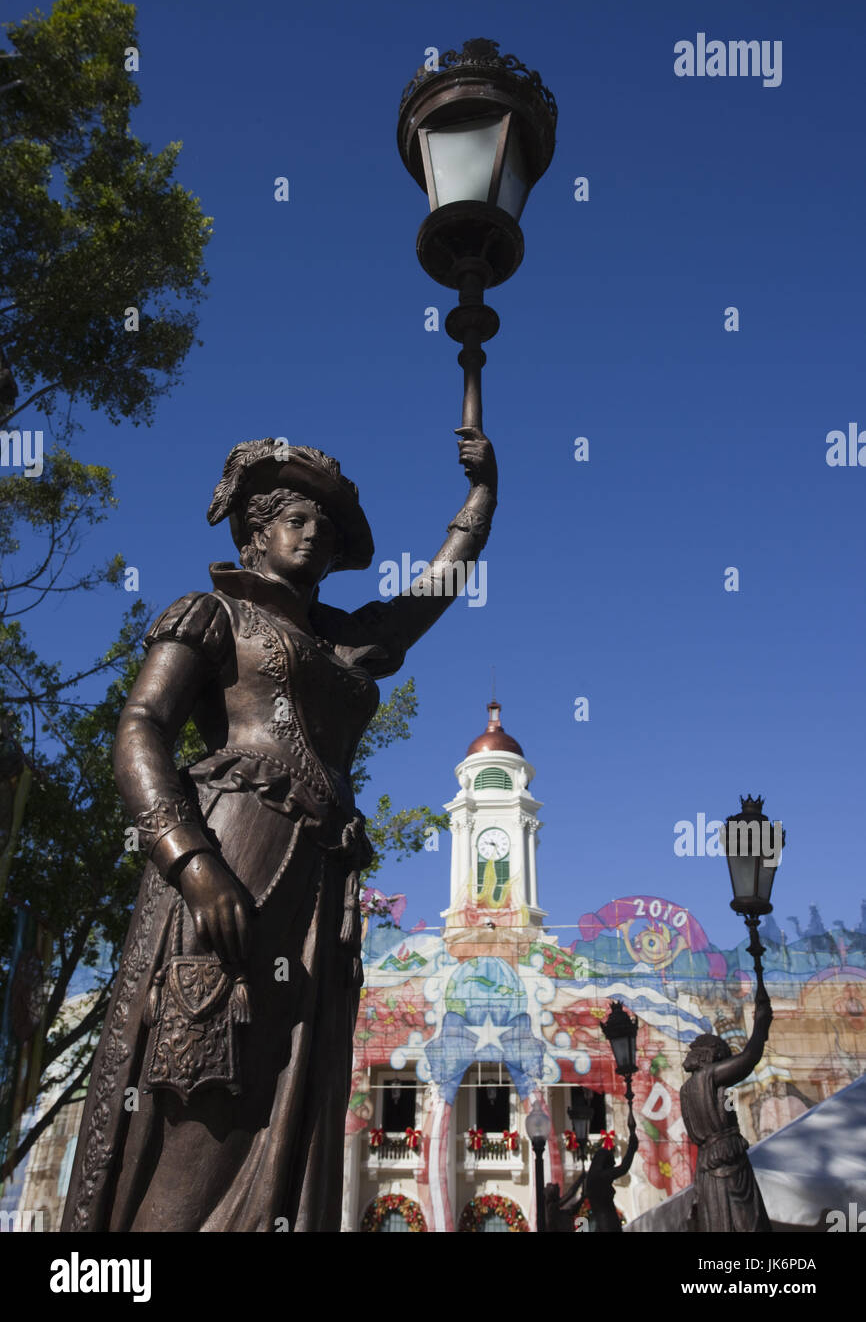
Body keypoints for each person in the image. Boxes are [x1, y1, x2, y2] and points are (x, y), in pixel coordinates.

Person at [62, 430, 496, 1232]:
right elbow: (139, 731)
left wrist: (480, 503)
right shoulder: (212, 615)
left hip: (321, 885)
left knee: (290, 1085)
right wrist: (191, 861)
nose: (312, 535)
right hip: (236, 850)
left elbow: (432, 591)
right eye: (296, 518)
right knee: (208, 1081)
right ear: (255, 530)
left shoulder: (343, 642)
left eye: (326, 530)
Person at [680, 989, 773, 1232]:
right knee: (744, 1222)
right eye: (722, 1058)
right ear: (710, 1056)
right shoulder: (708, 1077)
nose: (724, 1065)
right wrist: (760, 1025)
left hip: (709, 1168)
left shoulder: (687, 1090)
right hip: (727, 1163)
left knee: (718, 1221)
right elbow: (749, 1057)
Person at [580, 1110, 638, 1232]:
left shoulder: (592, 1179)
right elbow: (623, 1168)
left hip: (603, 1223)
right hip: (608, 1223)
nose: (610, 1169)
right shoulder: (600, 1177)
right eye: (609, 1165)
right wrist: (631, 1149)